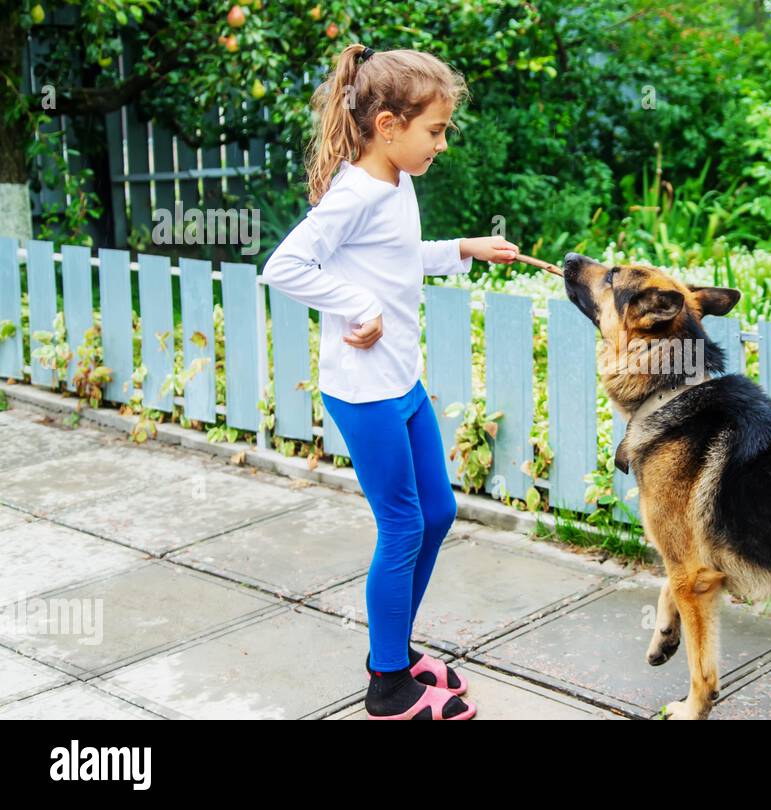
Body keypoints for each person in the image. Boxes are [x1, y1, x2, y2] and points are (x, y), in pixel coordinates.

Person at [261, 43, 518, 720]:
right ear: (388, 126)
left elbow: (398, 257)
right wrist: (358, 307)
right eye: (434, 130)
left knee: (437, 512)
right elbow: (283, 266)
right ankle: (387, 686)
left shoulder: (396, 183)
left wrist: (463, 249)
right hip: (362, 389)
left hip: (400, 380)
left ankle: (395, 652)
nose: (440, 143)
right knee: (403, 526)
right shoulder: (354, 192)